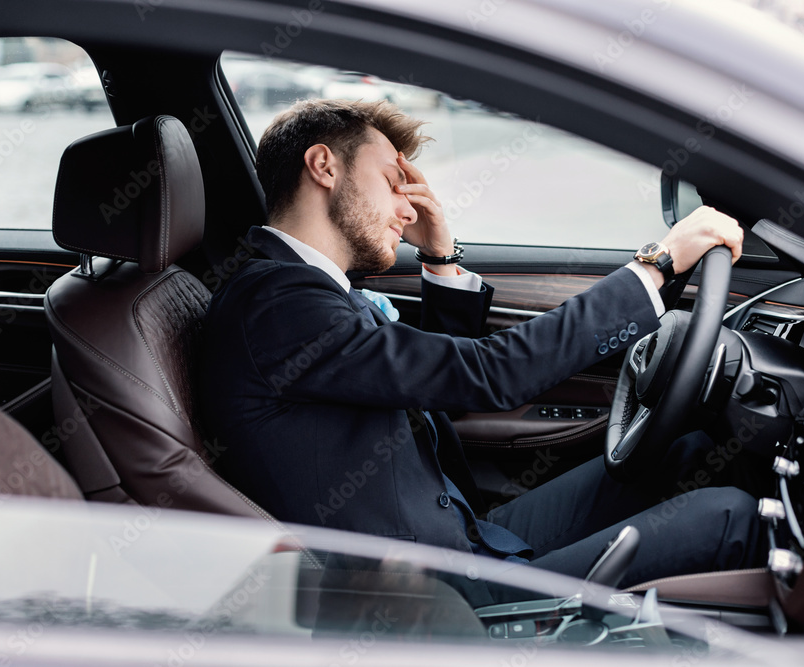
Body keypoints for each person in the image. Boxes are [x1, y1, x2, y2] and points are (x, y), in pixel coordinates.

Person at [200, 99, 763, 589]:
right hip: (431, 598)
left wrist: (440, 256)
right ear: (324, 165)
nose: (409, 207)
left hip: (464, 536)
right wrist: (657, 266)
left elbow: (441, 388)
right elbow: (492, 374)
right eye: (394, 183)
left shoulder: (302, 289)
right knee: (733, 518)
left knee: (685, 456)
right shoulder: (277, 304)